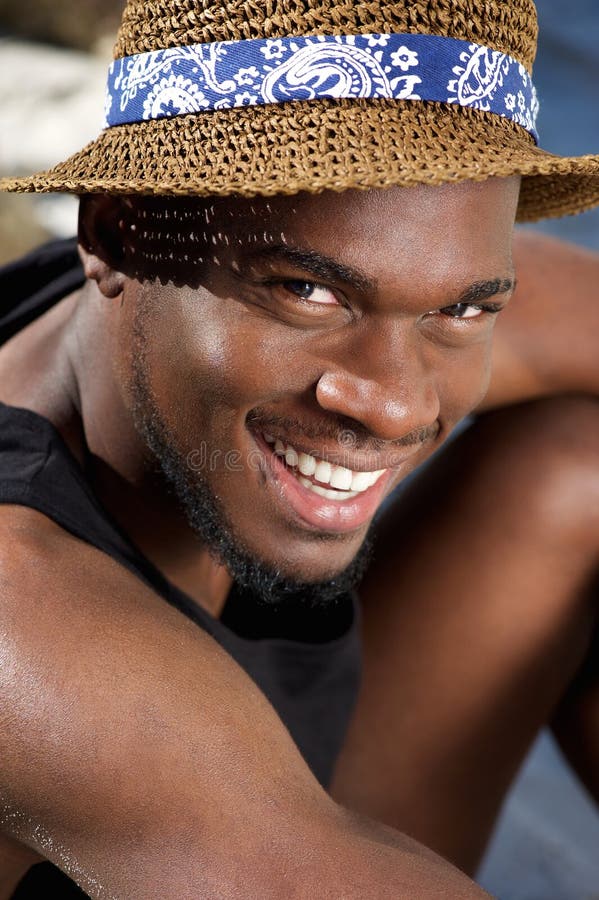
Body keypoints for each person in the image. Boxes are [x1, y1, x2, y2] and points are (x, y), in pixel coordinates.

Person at [0, 0, 598, 897]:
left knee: (577, 468)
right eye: (308, 293)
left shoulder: (174, 298)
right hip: (238, 847)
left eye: (463, 307)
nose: (396, 404)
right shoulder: (24, 618)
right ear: (116, 233)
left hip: (280, 797)